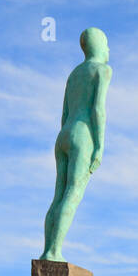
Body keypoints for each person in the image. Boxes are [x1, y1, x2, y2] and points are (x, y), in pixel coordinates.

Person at [40, 28, 111, 262]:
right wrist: (100, 145)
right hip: (83, 134)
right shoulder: (102, 70)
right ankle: (53, 251)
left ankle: (47, 250)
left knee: (58, 195)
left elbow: (64, 113)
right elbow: (97, 110)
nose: (109, 49)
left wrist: (66, 135)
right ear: (99, 45)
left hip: (64, 134)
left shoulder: (74, 74)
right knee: (73, 193)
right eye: (107, 44)